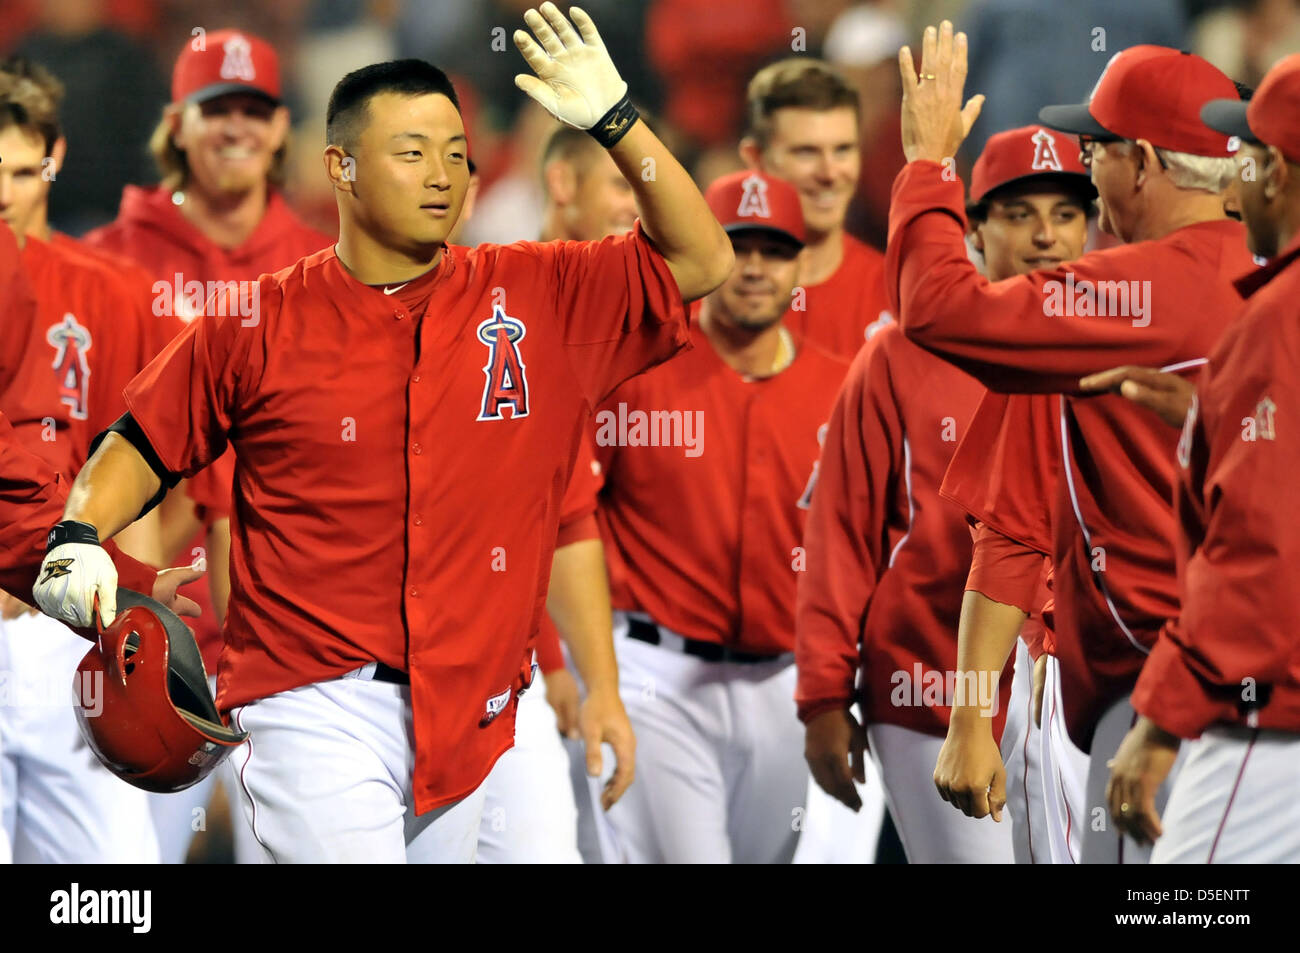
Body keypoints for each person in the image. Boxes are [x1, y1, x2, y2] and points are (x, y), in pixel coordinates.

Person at [34, 3, 731, 864]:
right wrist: (77, 531)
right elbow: (143, 438)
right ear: (342, 166)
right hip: (311, 700)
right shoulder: (257, 318)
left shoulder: (539, 292)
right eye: (412, 152)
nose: (442, 174)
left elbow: (703, 261)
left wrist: (619, 122)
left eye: (456, 156)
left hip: (473, 709)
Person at [891, 27, 1253, 863]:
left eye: (1097, 150)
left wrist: (927, 164)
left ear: (1144, 162)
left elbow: (938, 307)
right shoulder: (1278, 271)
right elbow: (1014, 534)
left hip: (1169, 686)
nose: (1090, 173)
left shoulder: (1132, 291)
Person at [81, 28, 333, 864]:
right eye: (214, 109)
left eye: (253, 110)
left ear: (281, 127)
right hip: (139, 631)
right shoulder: (108, 264)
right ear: (175, 126)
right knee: (118, 880)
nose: (235, 128)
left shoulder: (324, 265)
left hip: (294, 636)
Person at [595, 168, 845, 863]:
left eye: (774, 249)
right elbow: (569, 519)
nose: (755, 267)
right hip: (656, 673)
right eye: (737, 246)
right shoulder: (638, 367)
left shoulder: (842, 387)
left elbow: (864, 551)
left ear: (801, 262)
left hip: (784, 682)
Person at [1100, 54, 1300, 863]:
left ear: (1279, 172)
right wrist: (1213, 424)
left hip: (1268, 728)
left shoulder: (1278, 318)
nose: (1230, 180)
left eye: (1244, 158)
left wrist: (1158, 719)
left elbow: (1261, 554)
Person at [0, 66, 170, 863]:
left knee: (110, 886)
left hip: (64, 622)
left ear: (55, 159)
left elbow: (138, 472)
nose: (3, 191)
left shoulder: (111, 292)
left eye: (20, 169)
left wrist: (140, 619)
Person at [926, 126, 1095, 865]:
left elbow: (1010, 541)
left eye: (1064, 213)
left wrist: (969, 715)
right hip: (1092, 662)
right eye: (1020, 213)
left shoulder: (1091, 322)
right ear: (975, 227)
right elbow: (1012, 541)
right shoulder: (901, 350)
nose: (1045, 236)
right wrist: (968, 711)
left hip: (1112, 670)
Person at [475, 126, 638, 864]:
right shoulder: (496, 315)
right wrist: (558, 663)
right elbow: (506, 523)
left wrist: (586, 673)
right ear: (564, 186)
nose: (637, 209)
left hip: (581, 652)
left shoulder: (642, 315)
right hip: (498, 655)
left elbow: (566, 517)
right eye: (621, 187)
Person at [740, 58, 892, 362]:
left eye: (843, 150)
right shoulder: (714, 295)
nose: (829, 172)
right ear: (755, 158)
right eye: (806, 152)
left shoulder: (895, 296)